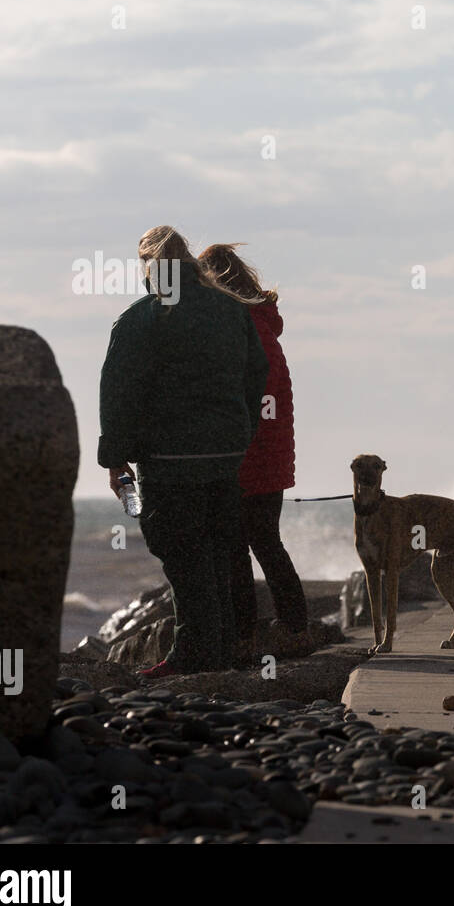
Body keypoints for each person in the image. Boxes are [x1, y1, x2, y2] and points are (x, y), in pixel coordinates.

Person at [98, 226, 269, 677]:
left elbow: (119, 391)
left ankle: (194, 656)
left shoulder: (144, 319)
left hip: (170, 460)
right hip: (224, 456)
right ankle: (222, 653)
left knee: (181, 551)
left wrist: (116, 458)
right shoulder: (230, 310)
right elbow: (256, 374)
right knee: (217, 552)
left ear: (149, 266)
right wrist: (242, 432)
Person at [199, 243, 310, 660]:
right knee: (258, 545)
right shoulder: (256, 320)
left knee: (247, 547)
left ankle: (259, 636)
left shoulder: (249, 324)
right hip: (264, 456)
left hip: (251, 457)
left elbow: (259, 387)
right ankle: (281, 632)